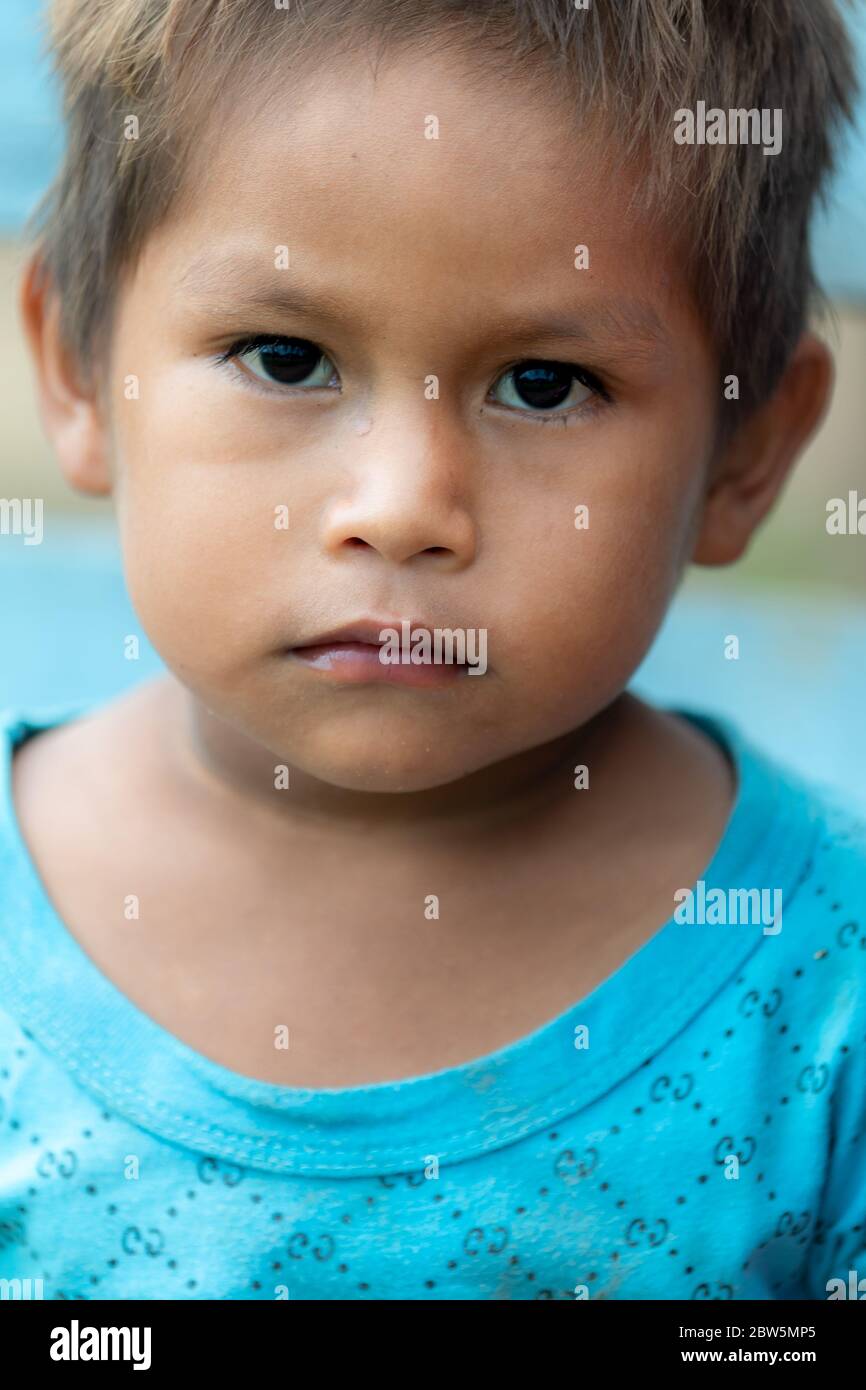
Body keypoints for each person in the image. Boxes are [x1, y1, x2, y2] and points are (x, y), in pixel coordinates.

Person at [1, 0, 863, 1301]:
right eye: (284, 358)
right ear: (77, 366)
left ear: (744, 452)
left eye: (542, 384)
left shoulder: (822, 992)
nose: (401, 504)